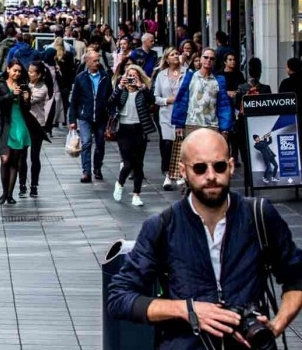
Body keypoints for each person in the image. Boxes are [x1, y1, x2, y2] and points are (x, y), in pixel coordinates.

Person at [107, 129, 302, 349]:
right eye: (200, 168)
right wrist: (186, 310)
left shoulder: (259, 215)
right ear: (183, 171)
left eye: (219, 166)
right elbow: (119, 297)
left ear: (230, 166)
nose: (211, 176)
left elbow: (296, 277)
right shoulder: (163, 226)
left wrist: (275, 326)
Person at [109, 65, 156, 207]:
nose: (131, 79)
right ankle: (120, 183)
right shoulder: (121, 91)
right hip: (124, 129)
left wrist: (142, 87)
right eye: (129, 76)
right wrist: (119, 87)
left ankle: (136, 194)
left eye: (134, 76)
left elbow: (151, 101)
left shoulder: (142, 91)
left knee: (139, 164)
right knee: (128, 163)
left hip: (139, 130)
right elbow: (110, 103)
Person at [0, 59, 35, 205]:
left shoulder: (23, 86)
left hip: (19, 123)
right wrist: (11, 95)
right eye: (14, 70)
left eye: (19, 71)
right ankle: (3, 193)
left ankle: (9, 194)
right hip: (4, 124)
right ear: (8, 69)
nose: (17, 73)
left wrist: (26, 99)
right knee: (5, 160)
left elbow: (26, 108)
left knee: (15, 161)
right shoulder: (0, 84)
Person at [69, 50, 112, 183]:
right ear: (87, 62)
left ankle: (97, 167)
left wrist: (110, 114)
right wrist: (72, 120)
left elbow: (110, 97)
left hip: (101, 116)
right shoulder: (80, 77)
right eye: (94, 61)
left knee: (100, 143)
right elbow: (74, 100)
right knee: (86, 142)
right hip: (85, 116)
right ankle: (86, 171)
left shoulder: (105, 77)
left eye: (98, 60)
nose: (97, 63)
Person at [171, 47, 233, 139]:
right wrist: (179, 125)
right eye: (206, 57)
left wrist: (225, 129)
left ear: (215, 61)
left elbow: (223, 106)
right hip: (192, 125)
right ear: (200, 59)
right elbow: (181, 101)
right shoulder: (190, 77)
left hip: (212, 126)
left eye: (211, 58)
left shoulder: (219, 80)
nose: (208, 60)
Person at [154, 48, 186, 190]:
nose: (175, 57)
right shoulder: (161, 75)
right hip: (166, 114)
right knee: (167, 144)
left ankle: (179, 173)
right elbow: (156, 98)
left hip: (182, 115)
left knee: (180, 145)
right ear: (167, 59)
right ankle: (167, 174)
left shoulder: (187, 72)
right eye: (172, 55)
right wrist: (167, 100)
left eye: (176, 54)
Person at [19, 61, 52, 198]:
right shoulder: (24, 83)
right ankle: (22, 185)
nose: (29, 73)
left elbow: (28, 100)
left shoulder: (43, 88)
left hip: (37, 124)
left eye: (32, 72)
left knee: (34, 156)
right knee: (22, 156)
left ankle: (34, 184)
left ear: (39, 75)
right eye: (29, 70)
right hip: (23, 123)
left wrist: (23, 94)